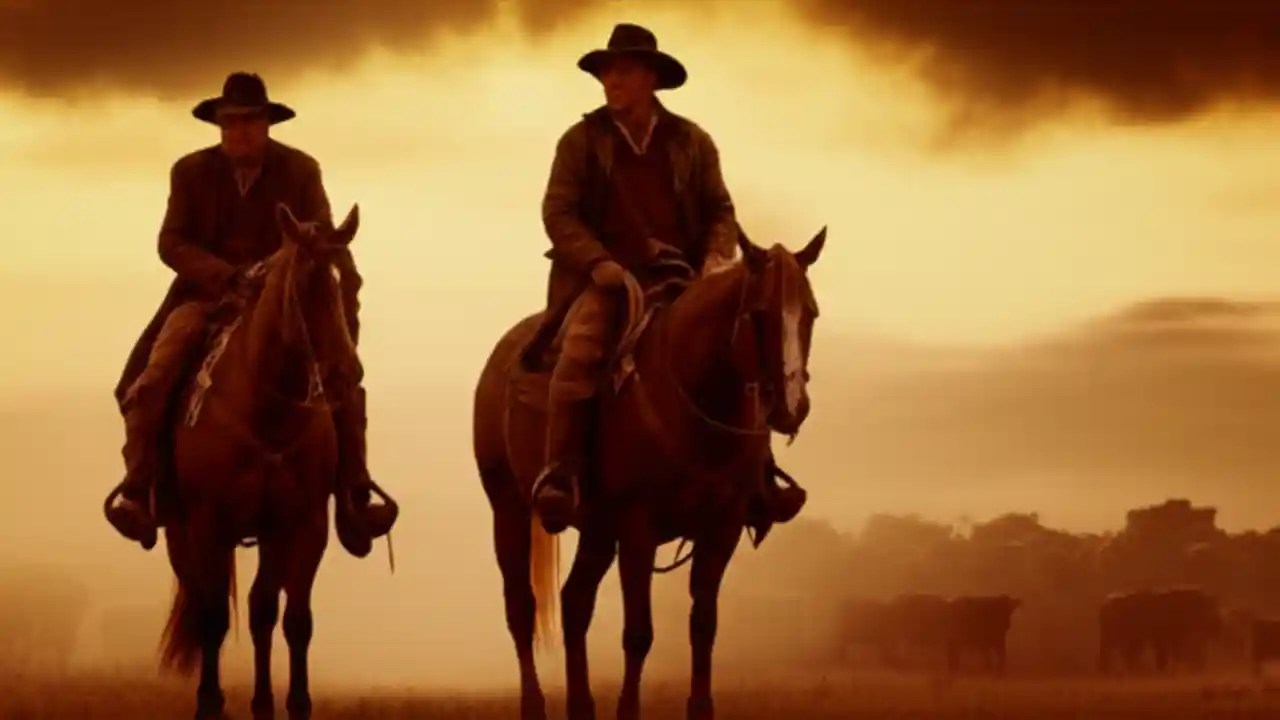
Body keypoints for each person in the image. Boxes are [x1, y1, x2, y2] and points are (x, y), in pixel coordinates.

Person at [105, 72, 397, 557]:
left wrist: (319, 289)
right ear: (219, 125)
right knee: (153, 378)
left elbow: (320, 236)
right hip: (205, 298)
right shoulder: (190, 172)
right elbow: (172, 242)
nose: (239, 130)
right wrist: (224, 276)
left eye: (249, 121)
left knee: (342, 378)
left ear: (266, 124)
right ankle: (140, 487)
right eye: (231, 122)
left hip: (285, 302)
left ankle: (354, 489)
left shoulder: (300, 170)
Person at [532, 23, 806, 534]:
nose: (612, 81)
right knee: (580, 351)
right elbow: (559, 213)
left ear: (651, 79)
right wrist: (598, 263)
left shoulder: (692, 141)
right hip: (610, 279)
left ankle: (757, 475)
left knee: (743, 347)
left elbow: (720, 210)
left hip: (687, 277)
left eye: (624, 71)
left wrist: (715, 261)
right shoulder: (581, 141)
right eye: (607, 72)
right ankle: (561, 474)